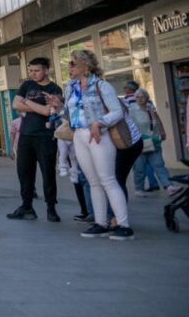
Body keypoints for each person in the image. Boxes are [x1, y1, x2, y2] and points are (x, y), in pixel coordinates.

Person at [51, 49, 134, 240]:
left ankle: (123, 225)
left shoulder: (102, 85)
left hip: (98, 134)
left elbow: (117, 112)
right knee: (93, 181)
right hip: (79, 135)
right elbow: (70, 116)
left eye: (72, 63)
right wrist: (58, 107)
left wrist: (100, 122)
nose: (69, 67)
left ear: (84, 65)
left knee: (108, 180)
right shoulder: (71, 87)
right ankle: (101, 222)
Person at [8, 57, 63, 222]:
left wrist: (26, 101)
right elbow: (15, 105)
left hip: (45, 137)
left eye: (36, 70)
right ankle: (26, 206)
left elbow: (48, 111)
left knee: (48, 173)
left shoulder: (55, 88)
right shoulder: (26, 85)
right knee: (24, 172)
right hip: (25, 135)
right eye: (31, 70)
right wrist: (35, 106)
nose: (33, 74)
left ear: (47, 70)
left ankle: (51, 208)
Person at [130, 89, 172, 193]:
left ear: (146, 97)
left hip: (154, 141)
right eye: (137, 97)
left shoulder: (151, 108)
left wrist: (162, 132)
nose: (139, 99)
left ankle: (168, 186)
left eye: (142, 96)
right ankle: (139, 188)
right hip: (140, 142)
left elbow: (157, 120)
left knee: (159, 164)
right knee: (139, 168)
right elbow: (130, 127)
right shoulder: (132, 111)